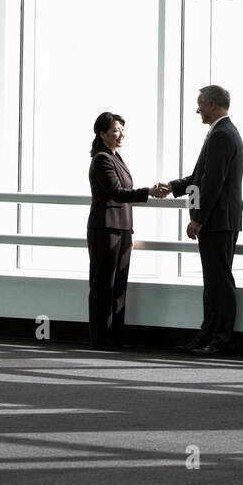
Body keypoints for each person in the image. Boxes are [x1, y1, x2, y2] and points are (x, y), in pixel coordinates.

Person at [163, 85, 243, 356]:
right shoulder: (222, 132)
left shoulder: (221, 135)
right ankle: (208, 334)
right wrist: (173, 186)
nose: (197, 110)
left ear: (212, 104)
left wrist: (198, 219)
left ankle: (220, 339)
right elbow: (201, 177)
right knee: (214, 282)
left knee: (218, 281)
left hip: (217, 222)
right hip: (221, 220)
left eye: (200, 104)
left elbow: (211, 183)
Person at [87, 112, 163, 352]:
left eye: (122, 129)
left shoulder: (115, 157)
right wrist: (147, 192)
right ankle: (101, 338)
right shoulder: (101, 159)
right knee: (103, 286)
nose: (121, 134)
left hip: (122, 228)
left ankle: (116, 336)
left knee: (118, 284)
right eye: (116, 130)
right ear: (102, 133)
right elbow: (116, 192)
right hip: (105, 229)